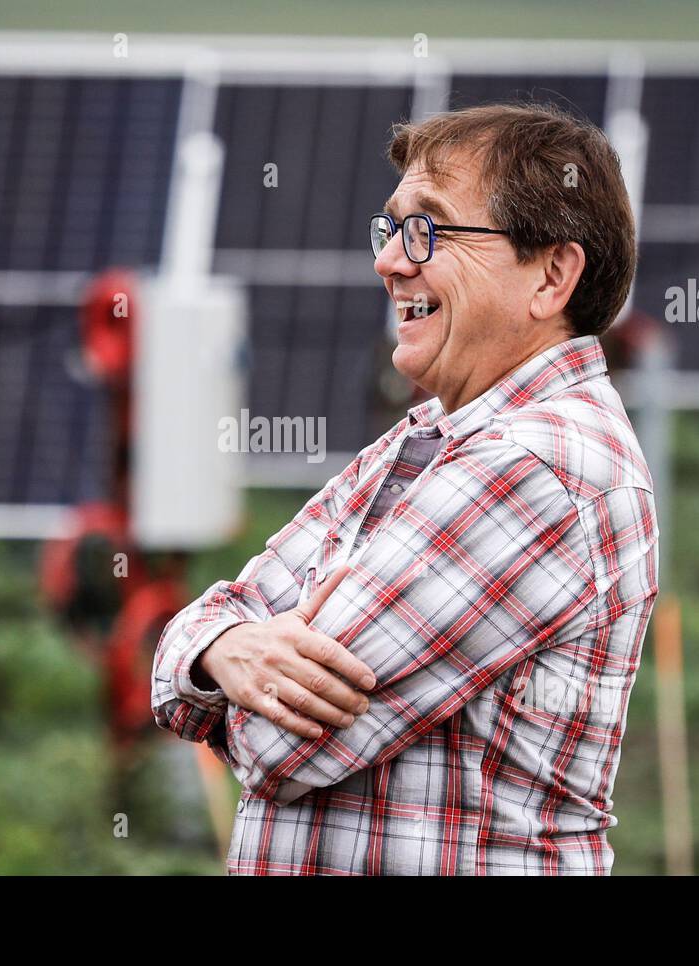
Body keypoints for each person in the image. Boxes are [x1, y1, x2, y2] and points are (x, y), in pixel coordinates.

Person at [152, 103, 659, 875]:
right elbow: (192, 645)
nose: (390, 262)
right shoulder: (423, 441)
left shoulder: (539, 467)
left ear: (552, 275)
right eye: (389, 230)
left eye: (429, 230)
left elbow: (277, 745)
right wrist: (220, 648)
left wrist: (224, 667)